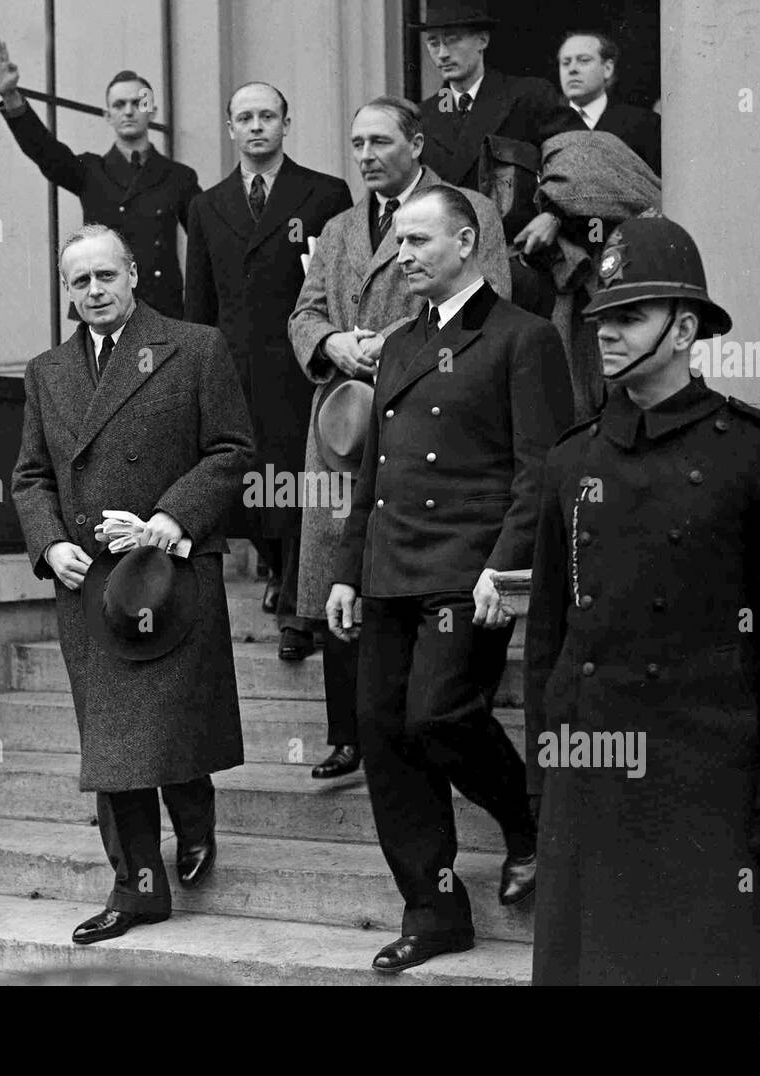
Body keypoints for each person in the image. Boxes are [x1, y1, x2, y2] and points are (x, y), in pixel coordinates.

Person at [523, 216, 760, 984]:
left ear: (685, 327)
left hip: (715, 788)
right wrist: (547, 771)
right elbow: (548, 638)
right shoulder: (573, 460)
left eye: (630, 315)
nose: (606, 332)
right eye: (602, 315)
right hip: (593, 780)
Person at [327, 186, 574, 973]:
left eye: (419, 241)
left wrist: (507, 567)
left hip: (471, 572)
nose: (403, 256)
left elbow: (542, 468)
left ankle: (527, 820)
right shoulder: (398, 344)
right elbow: (373, 470)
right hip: (392, 567)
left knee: (437, 716)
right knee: (383, 730)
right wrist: (343, 574)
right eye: (399, 242)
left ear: (466, 242)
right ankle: (433, 909)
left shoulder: (522, 338)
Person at [11, 224, 253, 945]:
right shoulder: (46, 372)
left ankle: (195, 816)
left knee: (172, 725)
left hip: (166, 569)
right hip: (87, 581)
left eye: (105, 277)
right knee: (113, 747)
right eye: (80, 282)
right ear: (67, 291)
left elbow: (233, 450)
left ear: (134, 274)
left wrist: (166, 517)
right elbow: (30, 476)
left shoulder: (195, 346)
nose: (94, 292)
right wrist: (50, 544)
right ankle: (138, 887)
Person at [289, 95, 511, 781]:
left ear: (417, 144)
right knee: (338, 560)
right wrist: (330, 342)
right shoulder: (337, 228)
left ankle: (417, 726)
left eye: (380, 142)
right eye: (356, 144)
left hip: (426, 413)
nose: (365, 156)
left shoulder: (467, 211)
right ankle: (346, 733)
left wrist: (383, 346)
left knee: (390, 566)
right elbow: (304, 310)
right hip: (341, 418)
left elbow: (488, 296)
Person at [185, 83, 352, 660]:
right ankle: (278, 568)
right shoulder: (207, 206)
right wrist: (196, 371)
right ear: (230, 128)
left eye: (267, 116)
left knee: (299, 474)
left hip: (303, 361)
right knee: (251, 476)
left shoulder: (326, 194)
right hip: (235, 365)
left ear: (286, 123)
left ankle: (296, 612)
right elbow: (198, 303)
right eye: (244, 118)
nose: (256, 126)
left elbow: (342, 279)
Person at [0, 42, 200, 319]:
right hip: (102, 309)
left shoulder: (179, 177)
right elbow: (44, 150)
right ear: (107, 115)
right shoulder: (90, 171)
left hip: (162, 312)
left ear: (153, 111)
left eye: (138, 103)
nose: (128, 111)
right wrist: (12, 96)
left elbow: (208, 236)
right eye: (119, 105)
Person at [414, 1, 584, 263]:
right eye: (433, 43)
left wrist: (555, 217)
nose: (442, 53)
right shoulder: (423, 116)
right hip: (450, 263)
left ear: (483, 39)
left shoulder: (529, 96)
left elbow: (579, 156)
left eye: (452, 40)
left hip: (523, 257)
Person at [558, 30, 662, 175]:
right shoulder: (544, 124)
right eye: (565, 63)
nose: (572, 69)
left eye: (584, 60)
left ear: (607, 68)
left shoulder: (644, 124)